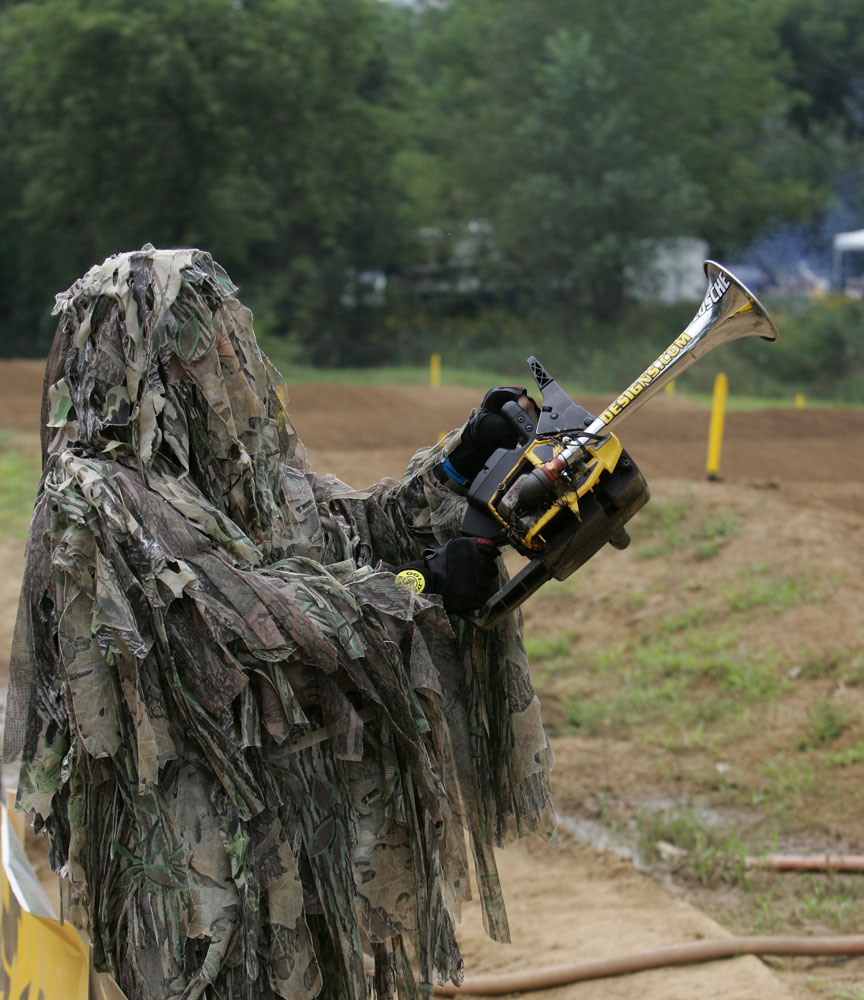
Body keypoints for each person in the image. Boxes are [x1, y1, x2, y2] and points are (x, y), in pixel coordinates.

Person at [3, 245, 556, 1000]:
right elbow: (239, 639)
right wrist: (420, 587)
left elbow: (344, 534)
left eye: (232, 329)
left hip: (293, 843)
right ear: (134, 357)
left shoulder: (230, 476)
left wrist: (458, 468)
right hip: (202, 888)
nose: (232, 352)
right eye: (205, 334)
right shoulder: (94, 504)